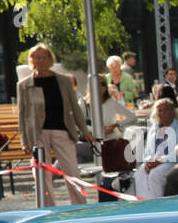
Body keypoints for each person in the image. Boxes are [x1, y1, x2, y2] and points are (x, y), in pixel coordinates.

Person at [17, 43, 95, 206]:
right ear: (32, 60)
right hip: (38, 133)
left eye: (44, 57)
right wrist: (24, 141)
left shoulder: (63, 81)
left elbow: (75, 107)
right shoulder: (23, 85)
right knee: (41, 174)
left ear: (50, 59)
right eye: (37, 57)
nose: (41, 61)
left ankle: (80, 207)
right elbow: (22, 115)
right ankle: (47, 209)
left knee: (72, 171)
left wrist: (84, 130)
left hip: (62, 129)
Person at [89, 73, 139, 200]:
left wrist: (116, 124)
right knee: (99, 177)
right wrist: (96, 131)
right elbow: (80, 125)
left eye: (103, 84)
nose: (100, 87)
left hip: (111, 143)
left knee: (110, 177)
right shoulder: (86, 103)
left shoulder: (111, 103)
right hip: (94, 143)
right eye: (97, 84)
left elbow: (132, 117)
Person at [134, 98, 178, 199]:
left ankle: (158, 204)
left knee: (155, 175)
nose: (163, 113)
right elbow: (148, 149)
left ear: (172, 111)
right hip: (154, 161)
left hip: (171, 162)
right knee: (140, 173)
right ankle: (143, 203)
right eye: (160, 110)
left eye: (166, 109)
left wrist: (160, 161)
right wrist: (148, 161)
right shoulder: (154, 128)